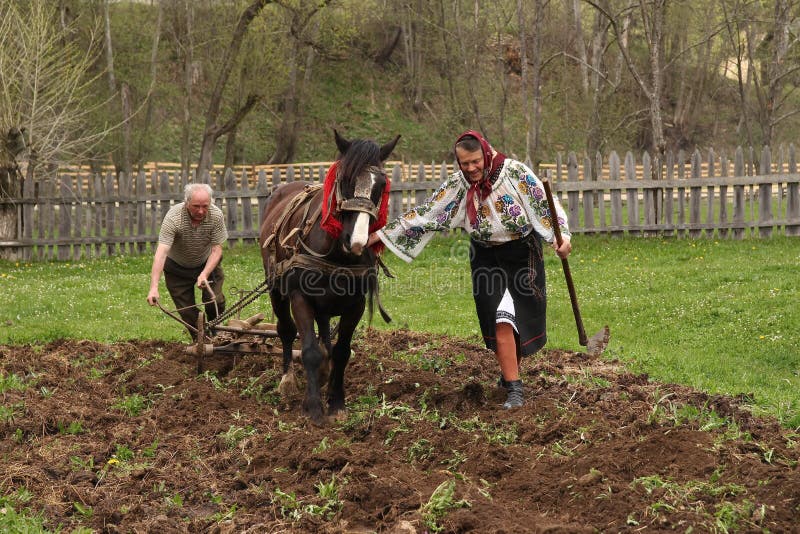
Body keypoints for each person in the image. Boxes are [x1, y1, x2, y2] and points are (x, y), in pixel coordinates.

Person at [368, 130, 572, 409]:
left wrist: (562, 239)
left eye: (475, 161)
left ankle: (509, 378)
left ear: (485, 154)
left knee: (516, 319)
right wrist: (381, 236)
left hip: (521, 253)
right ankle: (514, 389)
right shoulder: (459, 184)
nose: (471, 168)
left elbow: (543, 204)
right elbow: (429, 212)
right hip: (485, 257)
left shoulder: (514, 172)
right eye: (464, 163)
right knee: (500, 317)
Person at [147, 183, 228, 340]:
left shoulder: (216, 215)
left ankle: (216, 329)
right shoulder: (174, 218)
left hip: (207, 263)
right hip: (177, 267)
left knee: (215, 300)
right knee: (186, 311)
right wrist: (154, 287)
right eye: (196, 206)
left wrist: (204, 273)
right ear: (186, 203)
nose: (201, 211)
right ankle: (201, 340)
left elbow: (217, 249)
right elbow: (161, 253)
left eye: (205, 206)